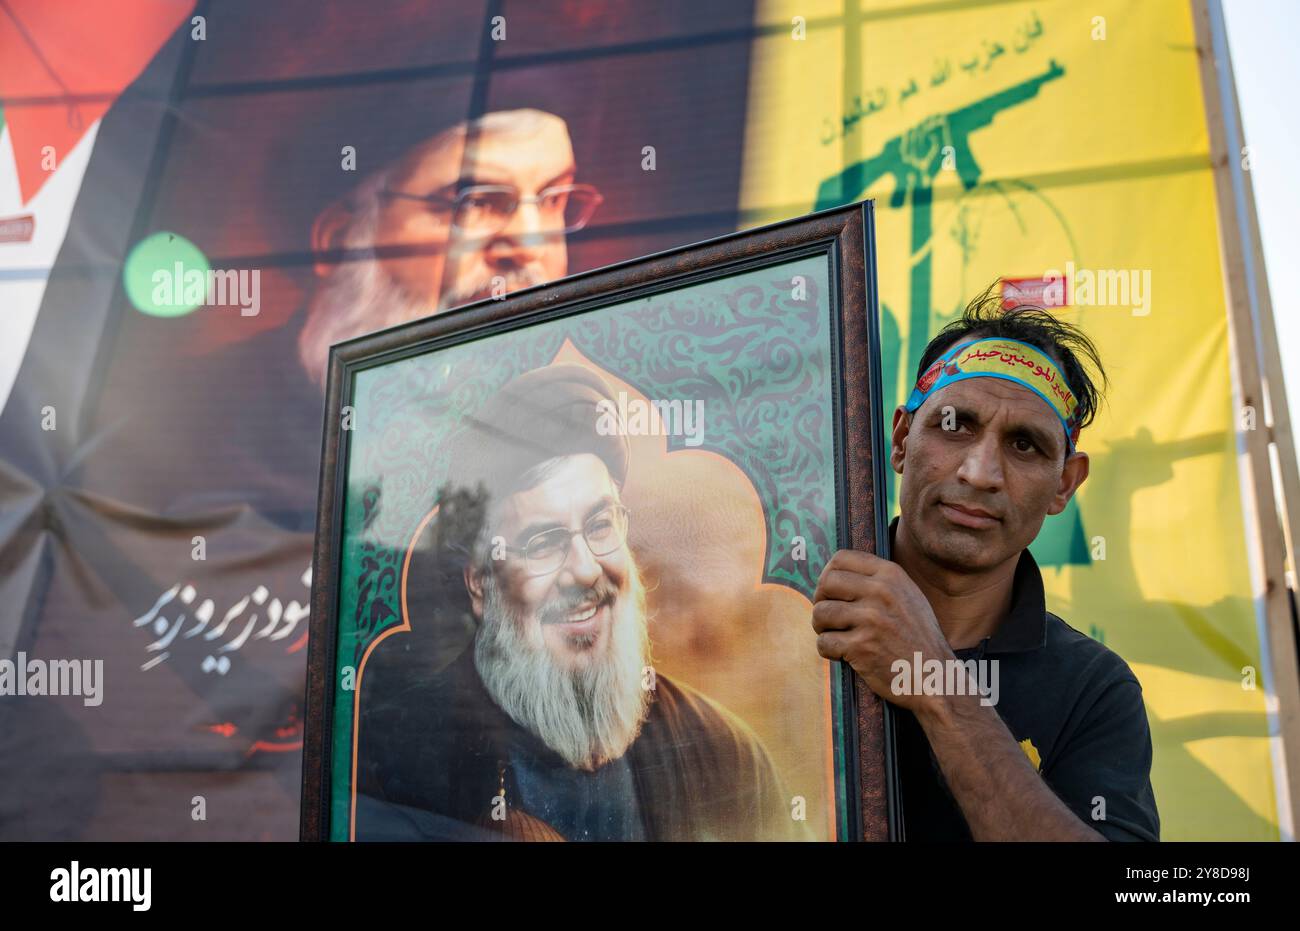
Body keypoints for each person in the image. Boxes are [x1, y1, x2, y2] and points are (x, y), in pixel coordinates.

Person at [356, 365, 800, 841]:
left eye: (600, 525)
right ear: (481, 583)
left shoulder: (727, 759)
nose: (586, 570)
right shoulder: (393, 761)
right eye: (544, 542)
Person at [812, 286, 1160, 841]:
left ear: (1064, 484)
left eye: (1024, 445)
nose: (980, 473)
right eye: (955, 425)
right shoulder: (793, 605)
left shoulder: (1094, 688)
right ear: (901, 440)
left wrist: (933, 675)